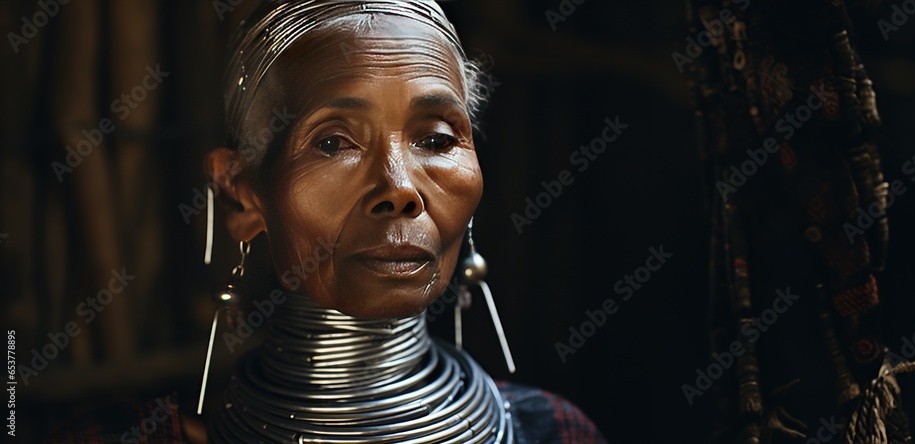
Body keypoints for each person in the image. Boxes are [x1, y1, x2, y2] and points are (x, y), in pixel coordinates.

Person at [47, 1, 606, 442]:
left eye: (436, 139)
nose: (399, 188)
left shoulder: (556, 434)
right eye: (333, 142)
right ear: (242, 197)